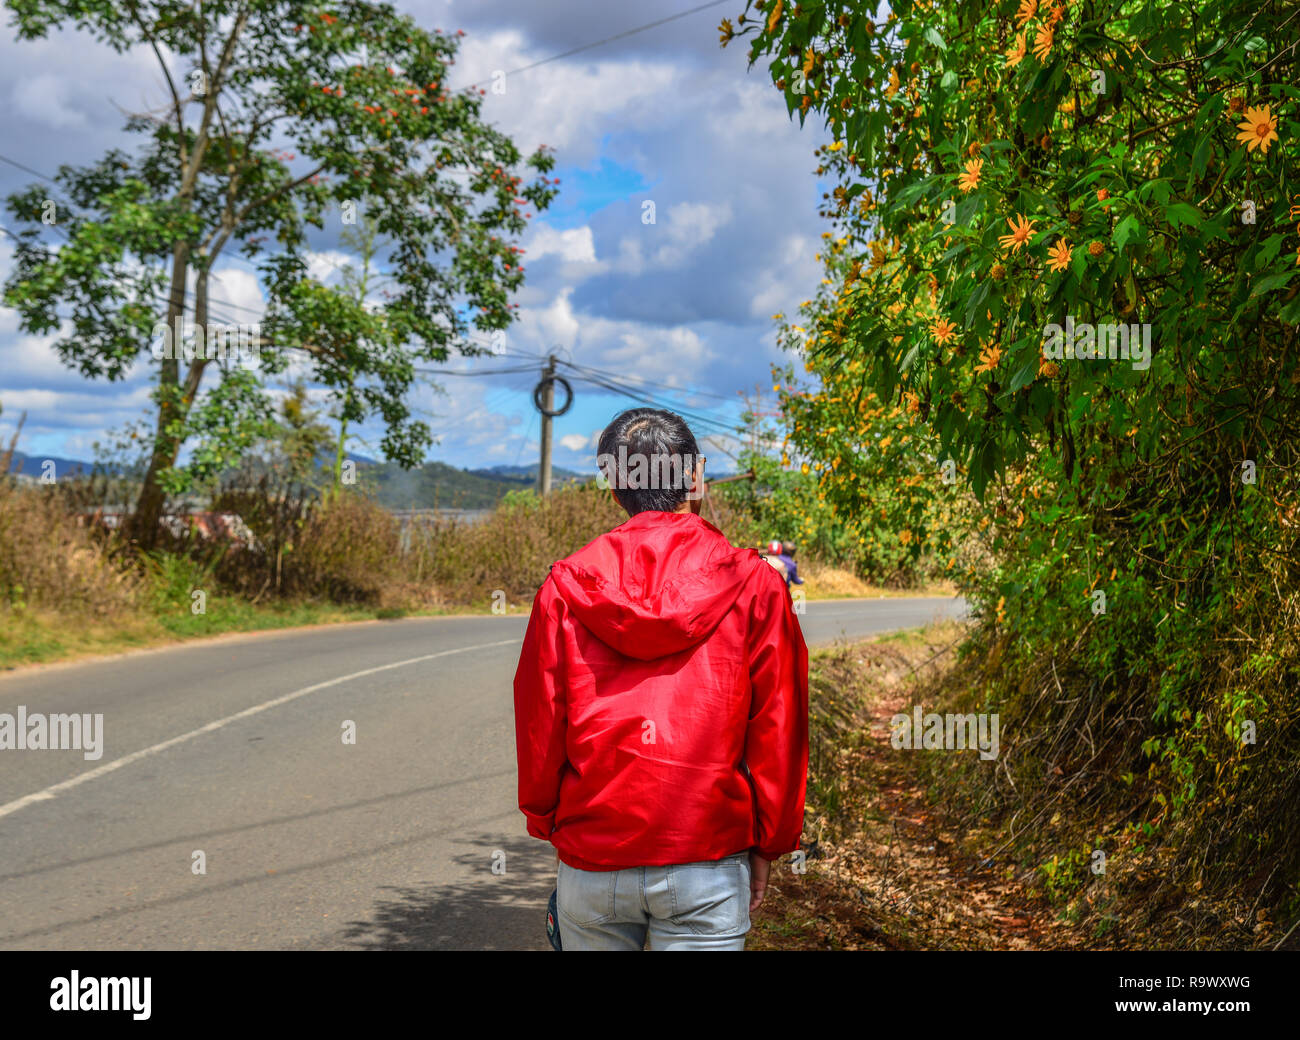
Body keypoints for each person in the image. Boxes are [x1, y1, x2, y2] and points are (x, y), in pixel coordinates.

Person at [513, 407, 809, 951]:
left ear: (614, 487)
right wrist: (772, 841)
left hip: (594, 853)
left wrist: (548, 817)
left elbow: (540, 719)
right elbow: (779, 727)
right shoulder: (756, 586)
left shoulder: (563, 589)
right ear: (695, 478)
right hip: (707, 855)